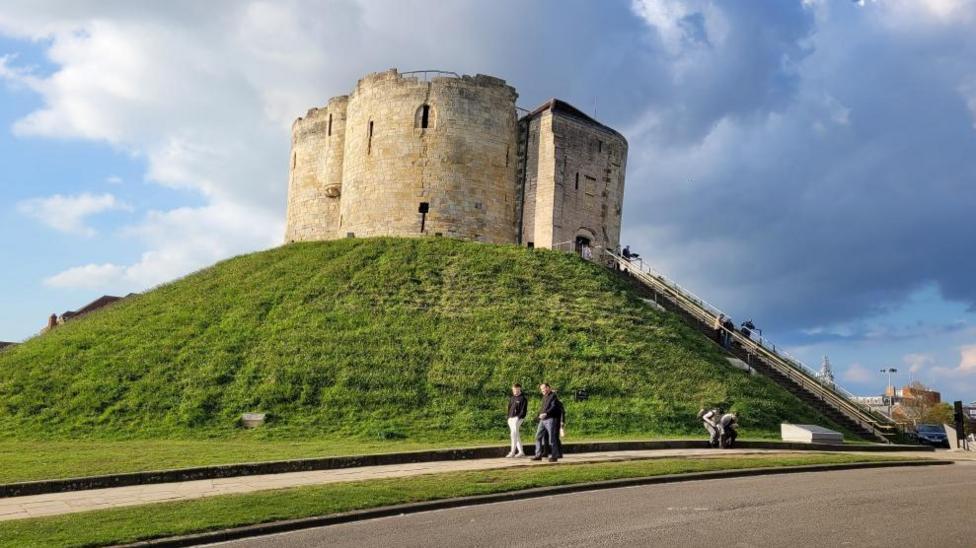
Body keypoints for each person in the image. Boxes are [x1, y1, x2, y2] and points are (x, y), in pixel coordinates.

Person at [532, 383, 563, 463]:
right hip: (542, 420)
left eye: (544, 388)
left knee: (552, 438)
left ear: (548, 388)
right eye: (541, 389)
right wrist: (538, 415)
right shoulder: (544, 397)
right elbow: (542, 408)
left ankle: (554, 456)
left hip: (550, 419)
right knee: (538, 436)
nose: (542, 390)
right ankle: (538, 455)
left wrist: (546, 413)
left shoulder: (553, 396)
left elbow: (553, 407)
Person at [506, 383, 528, 458]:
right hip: (511, 418)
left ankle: (512, 452)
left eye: (516, 389)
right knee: (516, 434)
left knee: (513, 434)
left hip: (518, 418)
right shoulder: (512, 398)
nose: (514, 391)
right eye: (513, 390)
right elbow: (509, 408)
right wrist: (508, 417)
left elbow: (523, 411)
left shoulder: (523, 398)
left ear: (519, 389)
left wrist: (518, 417)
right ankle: (521, 452)